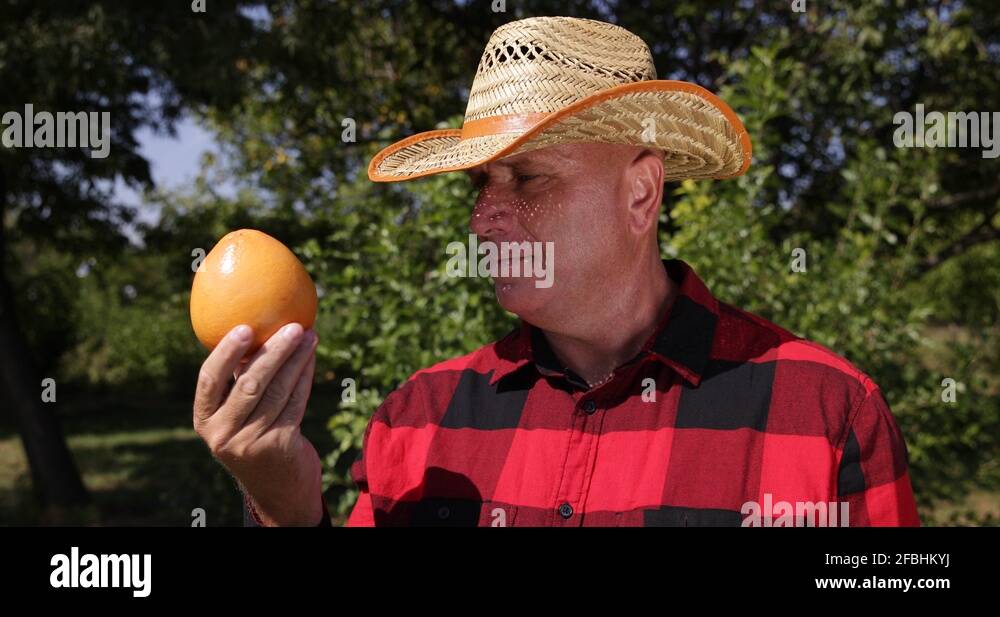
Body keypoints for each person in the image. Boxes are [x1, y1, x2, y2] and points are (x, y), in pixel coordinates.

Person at [193, 16, 919, 527]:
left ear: (641, 193)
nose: (484, 217)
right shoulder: (417, 421)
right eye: (482, 182)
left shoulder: (826, 414)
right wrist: (289, 509)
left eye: (528, 179)